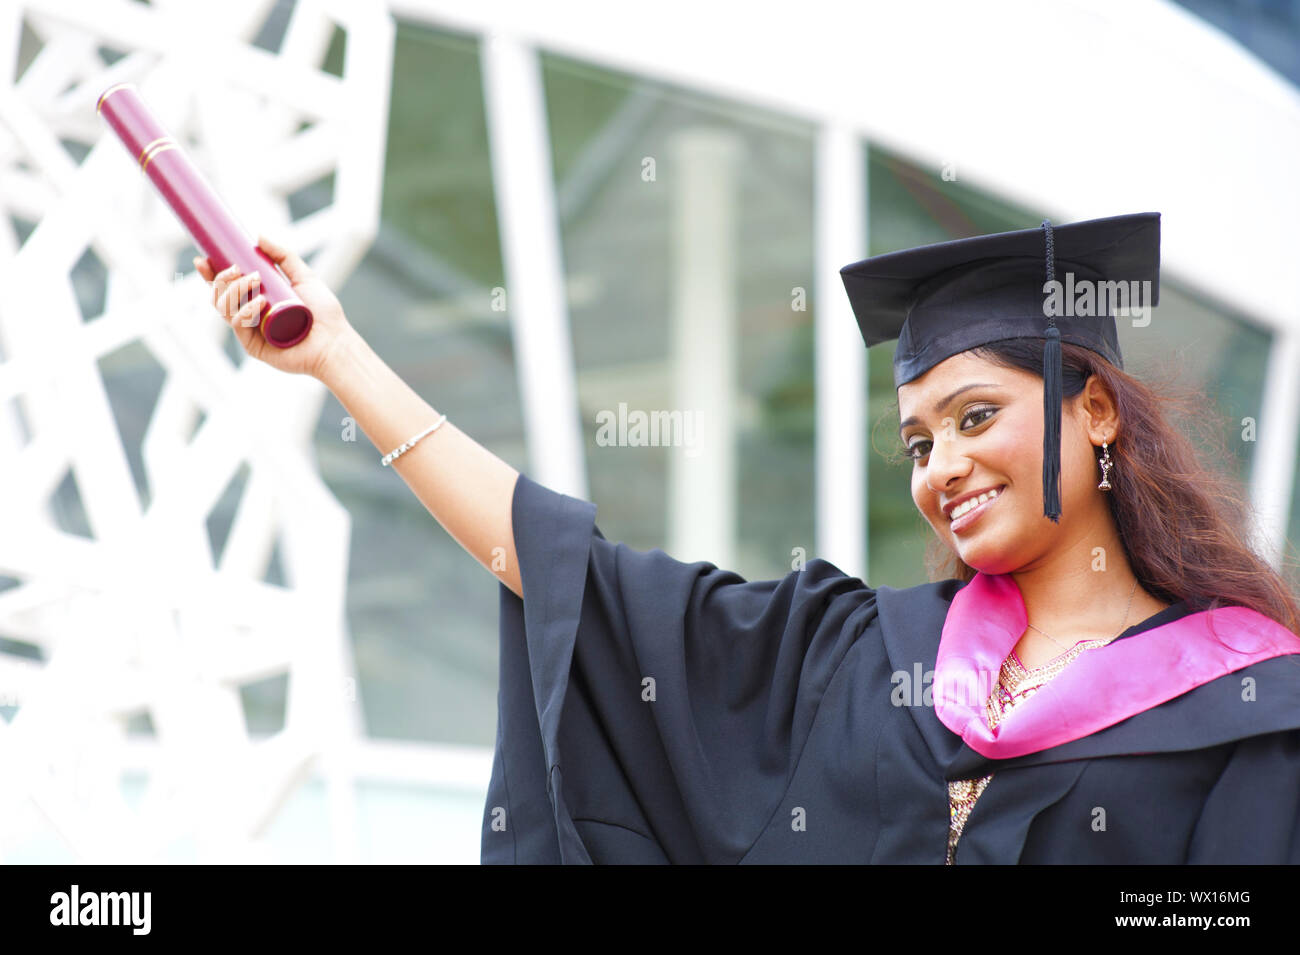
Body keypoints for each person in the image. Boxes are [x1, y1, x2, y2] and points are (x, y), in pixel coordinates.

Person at [196, 213, 1300, 865]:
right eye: (915, 444)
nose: (942, 468)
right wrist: (337, 357)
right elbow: (565, 570)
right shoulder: (853, 656)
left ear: (1094, 411)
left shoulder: (1247, 703)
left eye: (974, 418)